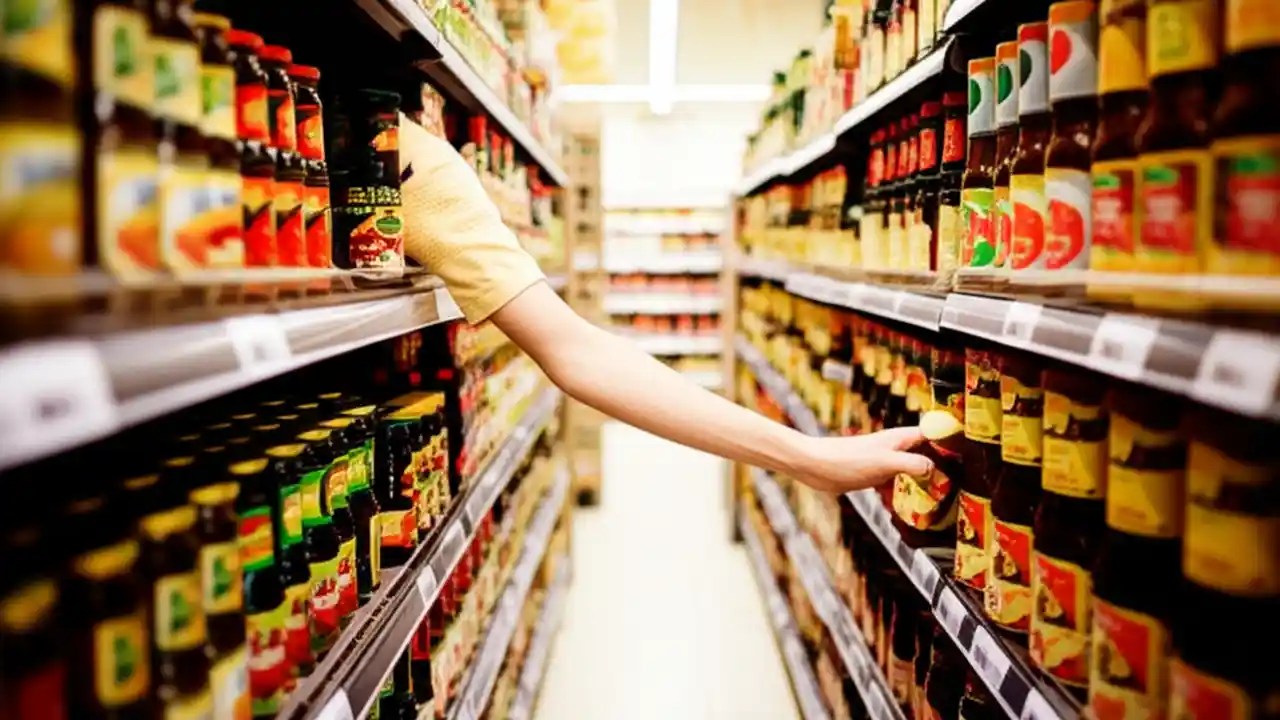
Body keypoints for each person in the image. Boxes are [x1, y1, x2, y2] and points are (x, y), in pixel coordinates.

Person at [399, 117, 933, 494]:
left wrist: (808, 457)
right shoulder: (415, 158)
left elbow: (574, 350)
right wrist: (806, 456)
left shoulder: (413, 163)